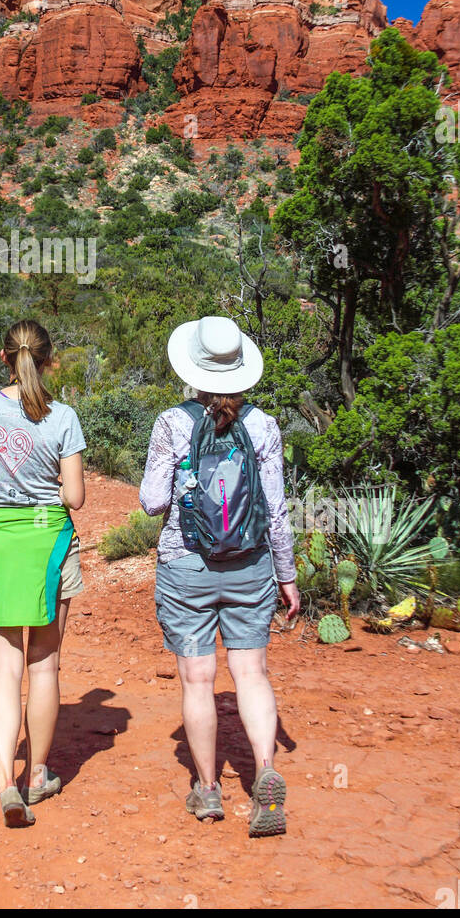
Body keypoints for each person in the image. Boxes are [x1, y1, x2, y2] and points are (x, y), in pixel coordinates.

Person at [139, 315, 299, 837]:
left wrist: (182, 476)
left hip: (186, 565)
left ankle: (208, 790)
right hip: (251, 564)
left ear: (193, 367)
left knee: (199, 679)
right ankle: (266, 774)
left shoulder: (172, 422)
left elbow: (151, 502)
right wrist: (287, 574)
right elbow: (275, 510)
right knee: (251, 674)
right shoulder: (264, 425)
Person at [0, 319, 86, 827]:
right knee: (44, 666)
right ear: (48, 359)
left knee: (5, 667)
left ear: (4, 358)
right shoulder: (63, 416)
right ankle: (36, 776)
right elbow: (74, 496)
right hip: (49, 544)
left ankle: (4, 782)